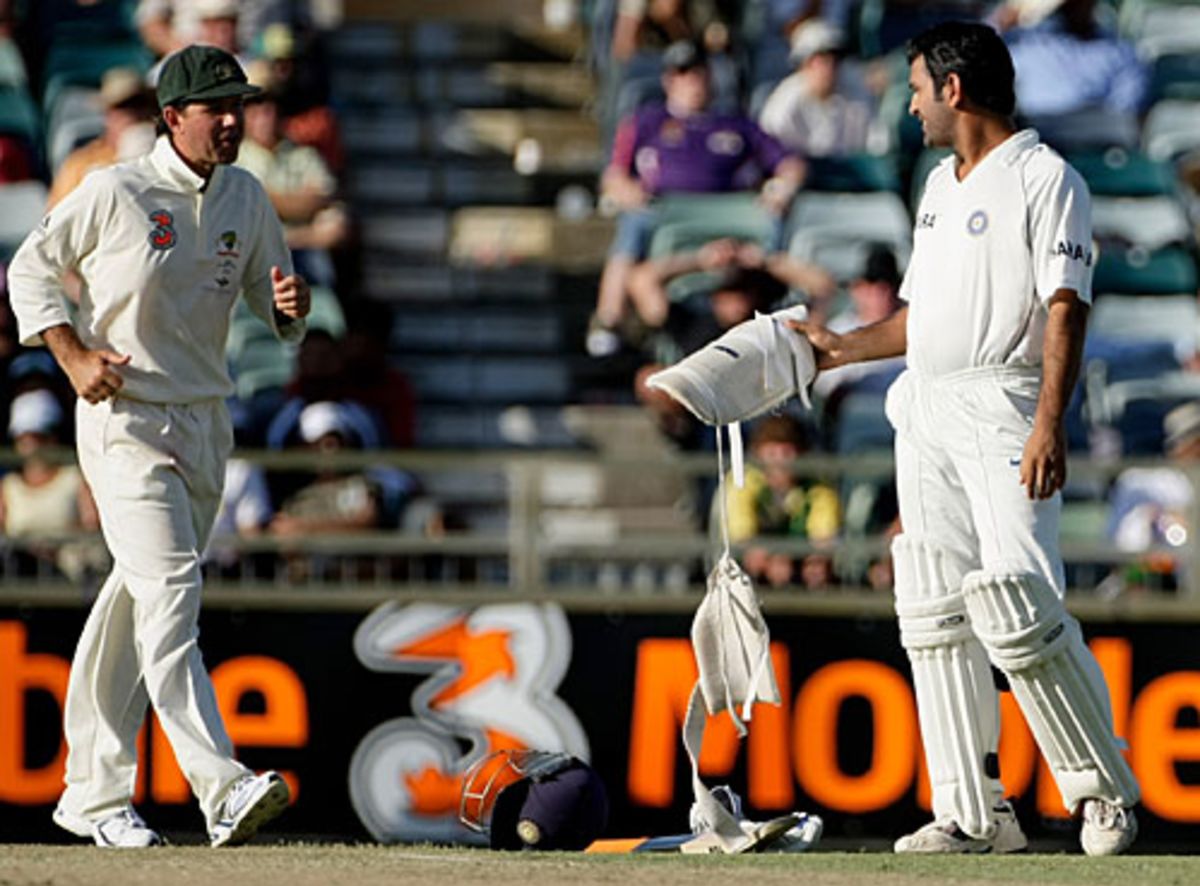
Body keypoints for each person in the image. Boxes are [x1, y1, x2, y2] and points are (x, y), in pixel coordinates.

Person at [791, 22, 1139, 855]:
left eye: (916, 89)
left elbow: (1066, 304)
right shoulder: (939, 186)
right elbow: (920, 319)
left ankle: (1104, 795)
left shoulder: (1047, 178)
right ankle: (973, 814)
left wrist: (1049, 421)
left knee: (1019, 602)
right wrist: (838, 348)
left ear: (953, 89)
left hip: (1007, 404)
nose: (909, 106)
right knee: (933, 608)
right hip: (928, 406)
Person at [6, 45, 311, 848]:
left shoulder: (247, 194)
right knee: (171, 590)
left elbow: (273, 300)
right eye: (217, 108)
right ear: (172, 118)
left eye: (240, 106)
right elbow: (30, 267)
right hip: (126, 418)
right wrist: (71, 357)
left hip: (207, 419)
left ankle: (91, 796)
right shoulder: (117, 189)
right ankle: (222, 787)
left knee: (137, 599)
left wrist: (290, 306)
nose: (234, 121)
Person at [590, 39, 806, 356]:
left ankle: (788, 320)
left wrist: (781, 189)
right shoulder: (647, 121)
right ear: (668, 80)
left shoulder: (737, 123)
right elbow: (614, 177)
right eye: (682, 74)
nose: (692, 82)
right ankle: (610, 317)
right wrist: (629, 192)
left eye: (698, 74)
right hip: (666, 211)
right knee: (633, 223)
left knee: (776, 222)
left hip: (730, 214)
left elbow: (790, 164)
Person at [725, 415, 840, 589]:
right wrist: (769, 559)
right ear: (758, 454)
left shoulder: (819, 489)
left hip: (799, 568)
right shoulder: (742, 483)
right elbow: (742, 536)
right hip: (750, 574)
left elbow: (824, 539)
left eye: (787, 453)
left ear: (801, 454)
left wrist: (812, 561)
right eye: (771, 453)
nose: (779, 462)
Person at [0, 388, 103, 581]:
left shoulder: (75, 478)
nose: (32, 446)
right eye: (24, 438)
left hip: (69, 577)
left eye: (40, 436)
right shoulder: (8, 486)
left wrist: (53, 549)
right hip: (20, 582)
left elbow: (92, 527)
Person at [758, 19, 876, 158]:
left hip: (848, 174)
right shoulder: (784, 102)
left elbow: (877, 145)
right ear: (803, 64)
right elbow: (770, 152)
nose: (829, 67)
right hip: (803, 173)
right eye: (820, 60)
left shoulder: (856, 93)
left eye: (834, 59)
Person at [47, 67, 157, 210]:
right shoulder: (80, 164)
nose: (136, 113)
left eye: (142, 104)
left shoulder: (164, 153)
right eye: (124, 106)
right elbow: (58, 219)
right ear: (108, 114)